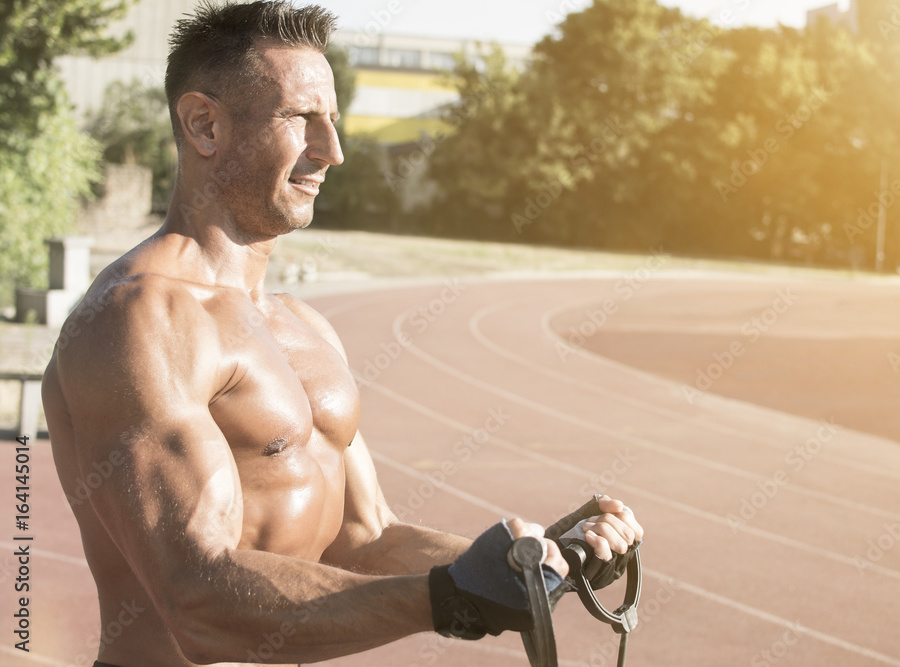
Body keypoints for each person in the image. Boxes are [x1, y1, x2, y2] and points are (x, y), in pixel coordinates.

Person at [41, 2, 643, 666]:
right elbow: (196, 601)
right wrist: (449, 600)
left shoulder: (304, 325)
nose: (333, 150)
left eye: (333, 120)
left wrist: (536, 564)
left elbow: (366, 538)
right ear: (204, 124)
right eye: (301, 119)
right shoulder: (141, 319)